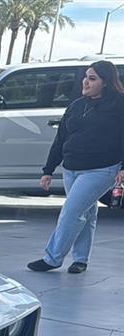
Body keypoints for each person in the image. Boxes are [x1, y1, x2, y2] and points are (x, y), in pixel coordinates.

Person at [28, 61, 124, 274]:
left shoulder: (120, 105)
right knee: (86, 213)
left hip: (102, 169)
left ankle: (52, 258)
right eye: (85, 77)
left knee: (71, 212)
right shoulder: (77, 105)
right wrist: (48, 170)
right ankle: (81, 259)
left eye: (92, 79)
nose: (86, 82)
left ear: (106, 83)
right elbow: (61, 138)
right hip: (71, 168)